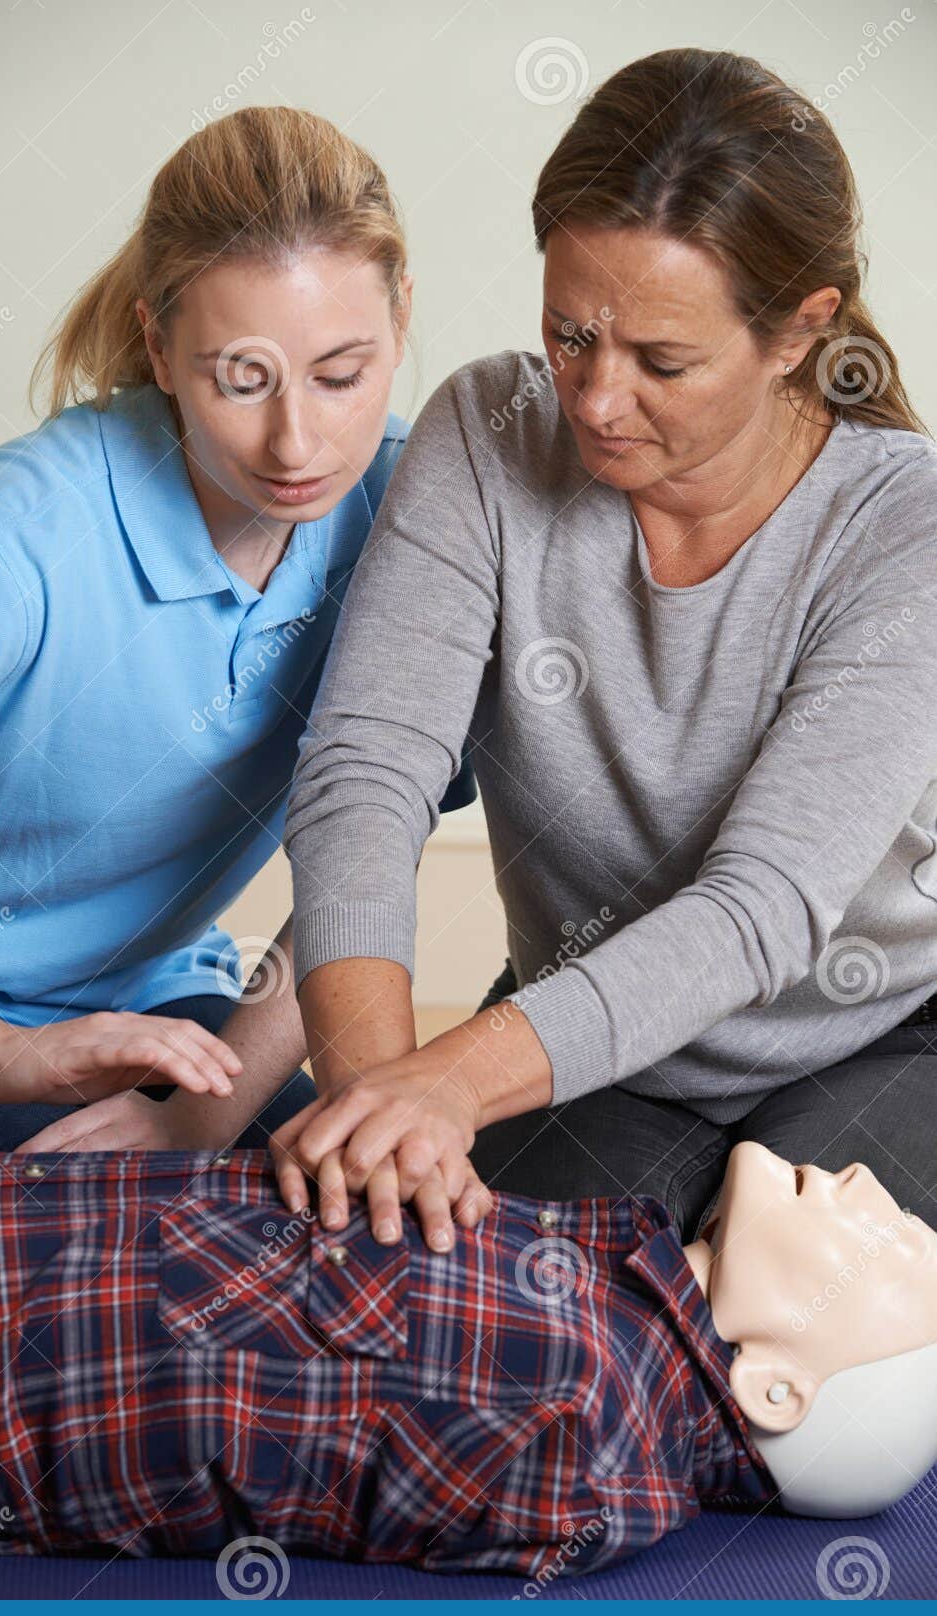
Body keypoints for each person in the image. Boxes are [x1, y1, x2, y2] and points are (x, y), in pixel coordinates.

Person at [272, 47, 937, 1250]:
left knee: (759, 1343)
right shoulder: (487, 431)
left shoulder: (908, 526)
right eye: (570, 334)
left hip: (882, 1032)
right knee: (455, 1291)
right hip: (591, 1026)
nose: (594, 398)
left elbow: (760, 907)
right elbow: (364, 776)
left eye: (661, 362)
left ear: (799, 331)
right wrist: (382, 1108)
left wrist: (456, 1079)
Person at [0, 106, 475, 1239]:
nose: (297, 444)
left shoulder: (415, 515)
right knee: (44, 1263)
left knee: (338, 1233)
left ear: (398, 324)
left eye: (342, 374)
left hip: (149, 1001)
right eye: (240, 381)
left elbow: (364, 862)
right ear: (159, 350)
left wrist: (215, 1107)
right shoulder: (16, 534)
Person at [0, 1140, 931, 1576]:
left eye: (891, 1253)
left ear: (775, 1386)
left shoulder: (578, 1414)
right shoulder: (616, 1282)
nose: (863, 1184)